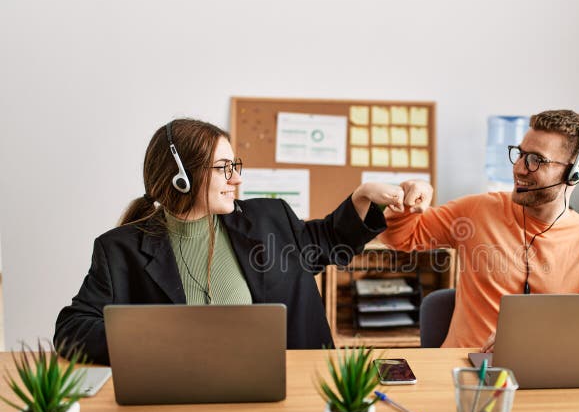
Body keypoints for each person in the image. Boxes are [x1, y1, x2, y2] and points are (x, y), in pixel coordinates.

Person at [55, 118, 404, 364]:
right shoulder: (120, 250)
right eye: (223, 167)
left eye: (234, 165)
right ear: (182, 177)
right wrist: (153, 339)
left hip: (287, 396)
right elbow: (72, 330)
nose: (237, 178)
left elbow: (330, 239)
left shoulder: (270, 220)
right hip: (180, 404)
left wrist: (362, 196)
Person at [379, 109, 579, 351]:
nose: (519, 168)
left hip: (543, 378)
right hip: (462, 371)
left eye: (536, 160)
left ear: (574, 174)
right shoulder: (478, 210)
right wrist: (407, 196)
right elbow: (399, 237)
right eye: (520, 154)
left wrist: (543, 337)